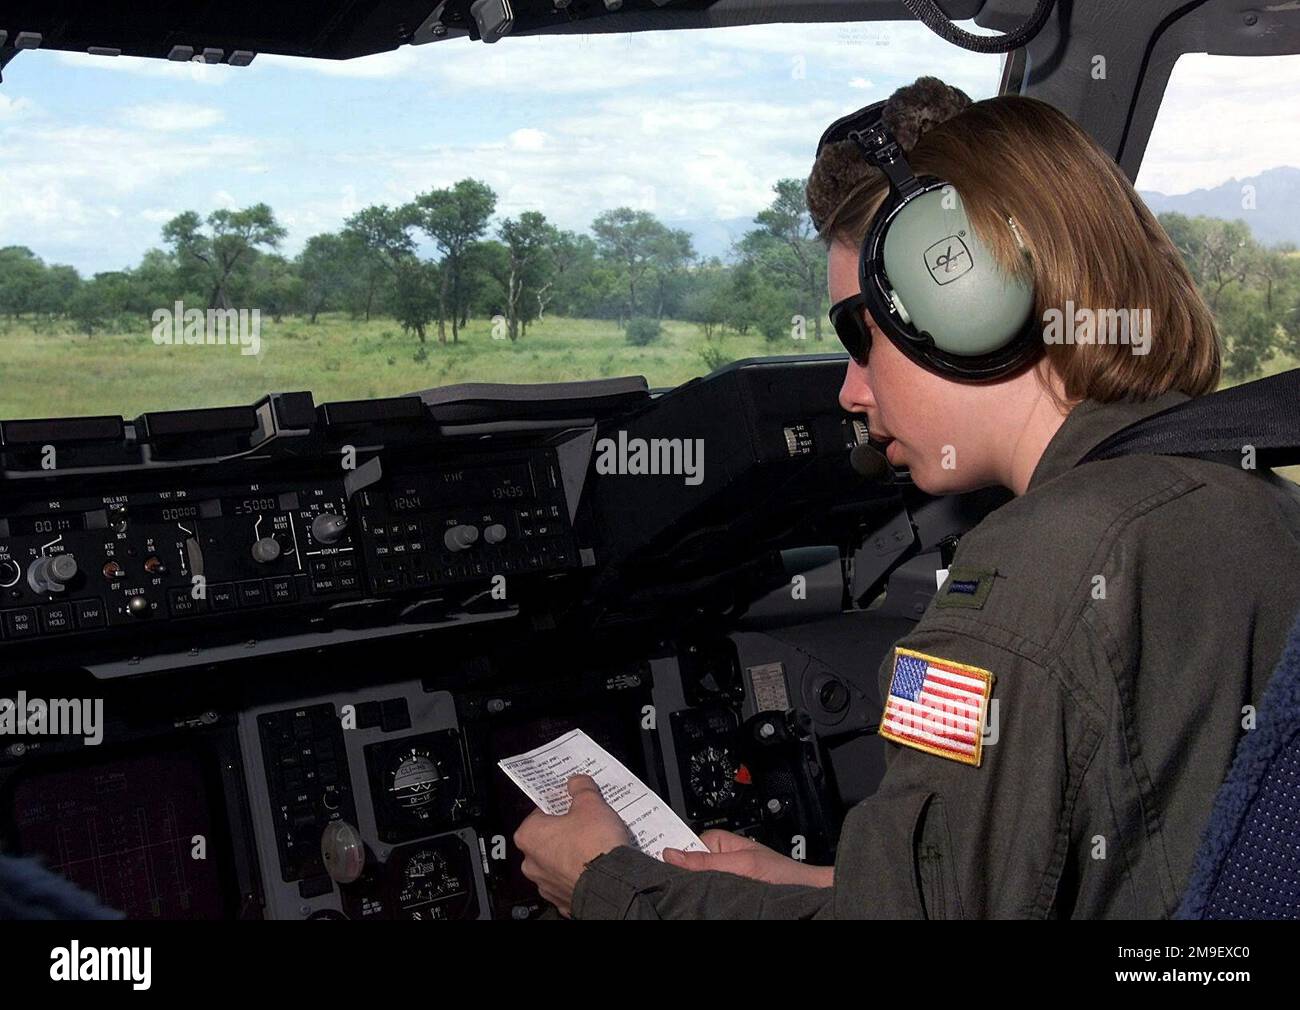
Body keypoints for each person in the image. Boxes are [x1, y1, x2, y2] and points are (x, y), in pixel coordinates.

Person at [514, 77, 1300, 918]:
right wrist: (820, 885)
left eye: (860, 334)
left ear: (966, 302)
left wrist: (612, 885)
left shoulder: (1035, 570)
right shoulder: (1252, 499)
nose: (850, 390)